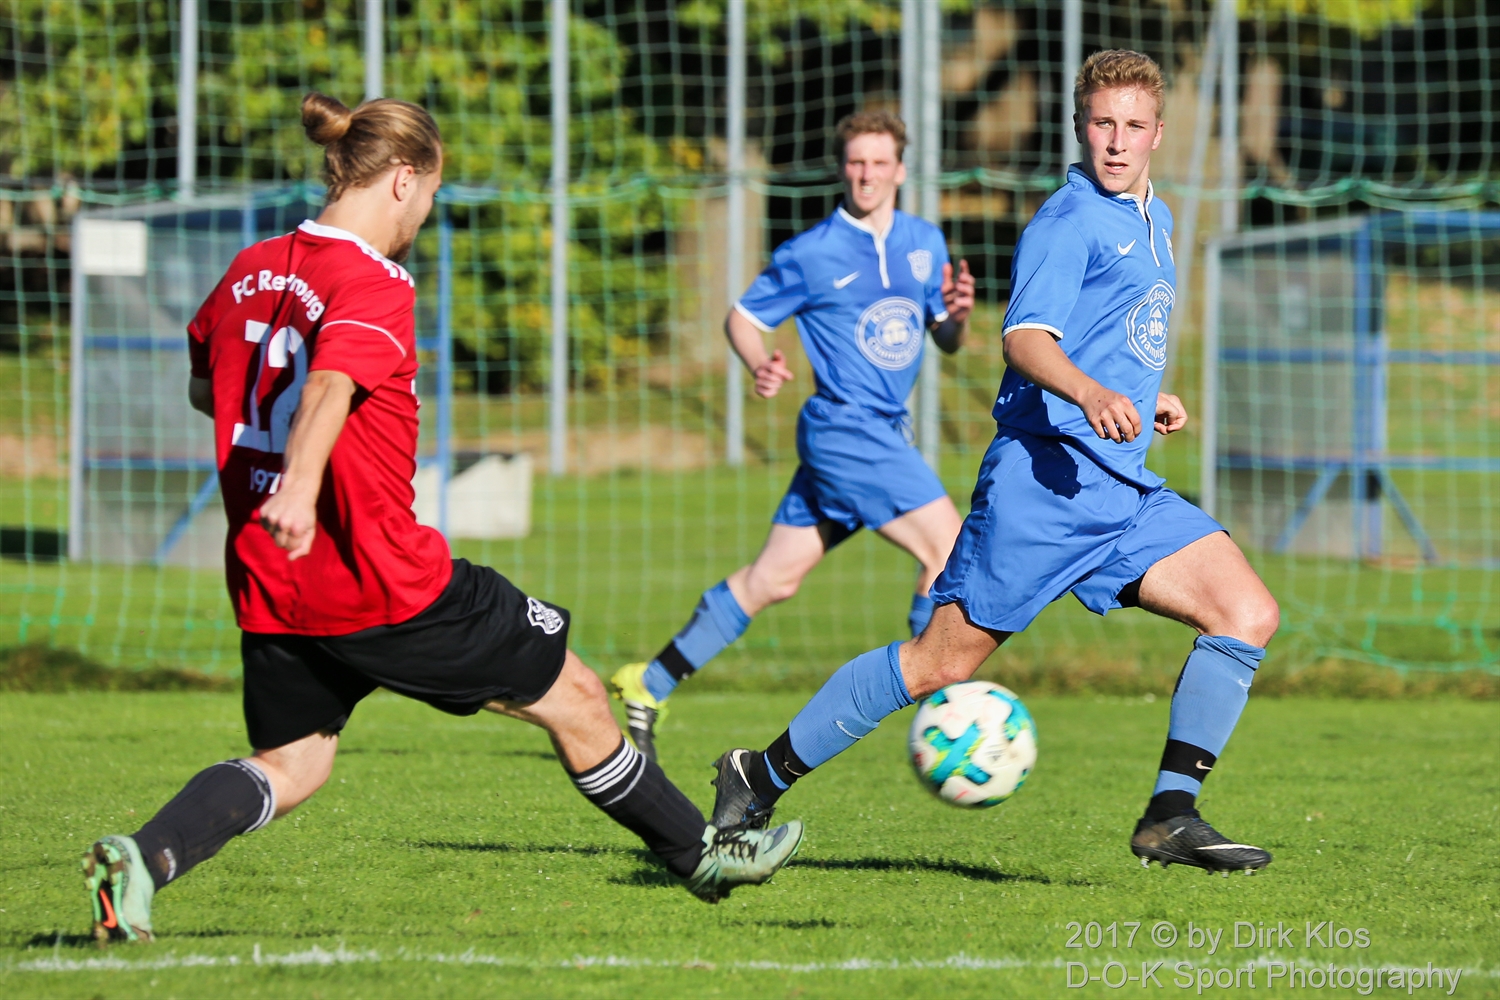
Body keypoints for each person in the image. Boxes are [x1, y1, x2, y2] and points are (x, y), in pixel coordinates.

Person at [80, 92, 803, 945]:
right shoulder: (372, 282)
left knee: (294, 762)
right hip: (381, 574)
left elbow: (209, 388)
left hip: (274, 580)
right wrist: (304, 484)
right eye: (429, 194)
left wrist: (277, 470)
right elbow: (325, 387)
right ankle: (706, 853)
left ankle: (145, 857)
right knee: (574, 691)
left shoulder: (251, 266)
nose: (424, 213)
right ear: (401, 178)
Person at [705, 50, 1281, 875]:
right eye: (1100, 125)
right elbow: (1025, 338)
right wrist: (1087, 394)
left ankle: (1170, 815)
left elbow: (1112, 335)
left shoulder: (1158, 218)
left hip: (1119, 485)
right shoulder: (1069, 219)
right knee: (939, 662)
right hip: (1041, 489)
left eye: (1132, 126)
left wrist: (1145, 394)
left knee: (1247, 612)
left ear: (1159, 132)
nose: (1115, 143)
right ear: (1080, 128)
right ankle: (756, 776)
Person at [609, 110, 976, 761]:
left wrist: (957, 318)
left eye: (879, 163)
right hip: (846, 434)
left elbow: (943, 338)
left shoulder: (925, 242)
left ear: (900, 169)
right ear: (843, 168)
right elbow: (742, 318)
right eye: (856, 162)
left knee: (772, 579)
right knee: (948, 550)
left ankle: (648, 682)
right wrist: (760, 362)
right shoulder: (811, 252)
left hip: (881, 435)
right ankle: (938, 703)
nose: (867, 174)